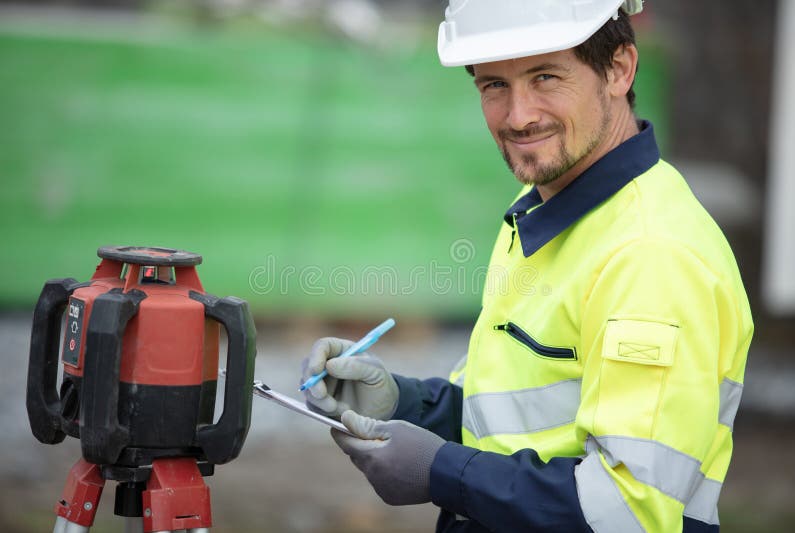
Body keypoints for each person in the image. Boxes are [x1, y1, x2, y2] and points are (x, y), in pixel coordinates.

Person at [301, 1, 753, 531]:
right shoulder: (543, 209)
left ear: (619, 69)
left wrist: (441, 472)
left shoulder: (651, 255)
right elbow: (512, 420)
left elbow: (629, 511)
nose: (519, 117)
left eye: (545, 77)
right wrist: (404, 403)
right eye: (495, 85)